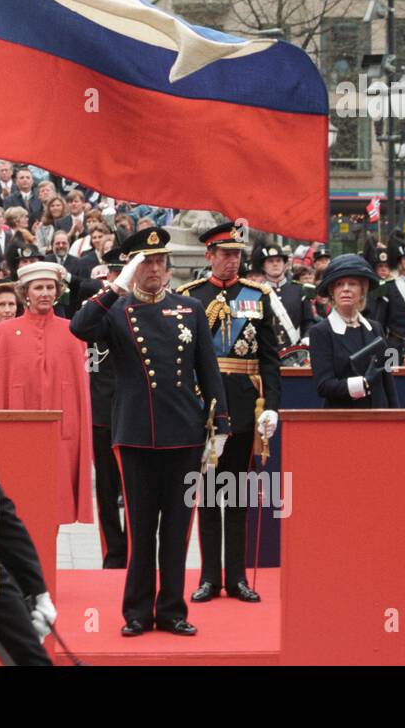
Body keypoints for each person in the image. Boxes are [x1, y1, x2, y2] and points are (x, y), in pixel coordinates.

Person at [70, 226, 230, 637]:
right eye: (146, 263)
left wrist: (221, 423)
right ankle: (137, 611)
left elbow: (208, 370)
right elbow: (79, 327)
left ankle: (172, 610)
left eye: (160, 262)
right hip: (137, 433)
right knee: (141, 530)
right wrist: (115, 287)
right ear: (133, 267)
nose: (155, 269)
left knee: (176, 530)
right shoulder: (116, 310)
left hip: (184, 433)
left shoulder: (189, 309)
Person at [178, 222, 281, 605]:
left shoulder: (258, 295)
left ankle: (236, 577)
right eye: (225, 254)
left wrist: (272, 406)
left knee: (238, 496)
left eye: (237, 254)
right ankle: (209, 577)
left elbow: (269, 358)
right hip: (204, 407)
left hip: (243, 405)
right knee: (207, 496)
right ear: (209, 255)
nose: (232, 260)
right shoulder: (191, 296)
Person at [0, 255, 93, 526]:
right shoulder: (4, 332)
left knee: (55, 506)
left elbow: (81, 392)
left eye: (50, 287)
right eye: (38, 287)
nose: (45, 293)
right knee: (21, 504)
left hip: (63, 434)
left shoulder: (73, 331)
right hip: (19, 433)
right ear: (25, 293)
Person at [78, 247, 127, 569]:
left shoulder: (147, 307)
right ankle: (114, 554)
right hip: (102, 412)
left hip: (136, 412)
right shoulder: (97, 308)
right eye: (117, 272)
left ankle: (135, 551)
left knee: (136, 492)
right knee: (107, 492)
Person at [308, 254, 399, 409]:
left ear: (363, 290)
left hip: (379, 413)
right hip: (344, 416)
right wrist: (362, 383)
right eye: (339, 284)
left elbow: (388, 381)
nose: (346, 289)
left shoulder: (375, 327)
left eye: (352, 284)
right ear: (332, 291)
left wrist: (395, 415)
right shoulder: (321, 332)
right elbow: (324, 386)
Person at [256, 243, 317, 353]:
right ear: (263, 266)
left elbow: (308, 321)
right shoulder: (257, 293)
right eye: (270, 261)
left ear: (285, 265)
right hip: (268, 354)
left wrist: (307, 337)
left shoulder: (300, 290)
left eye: (278, 261)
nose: (275, 264)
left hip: (295, 352)